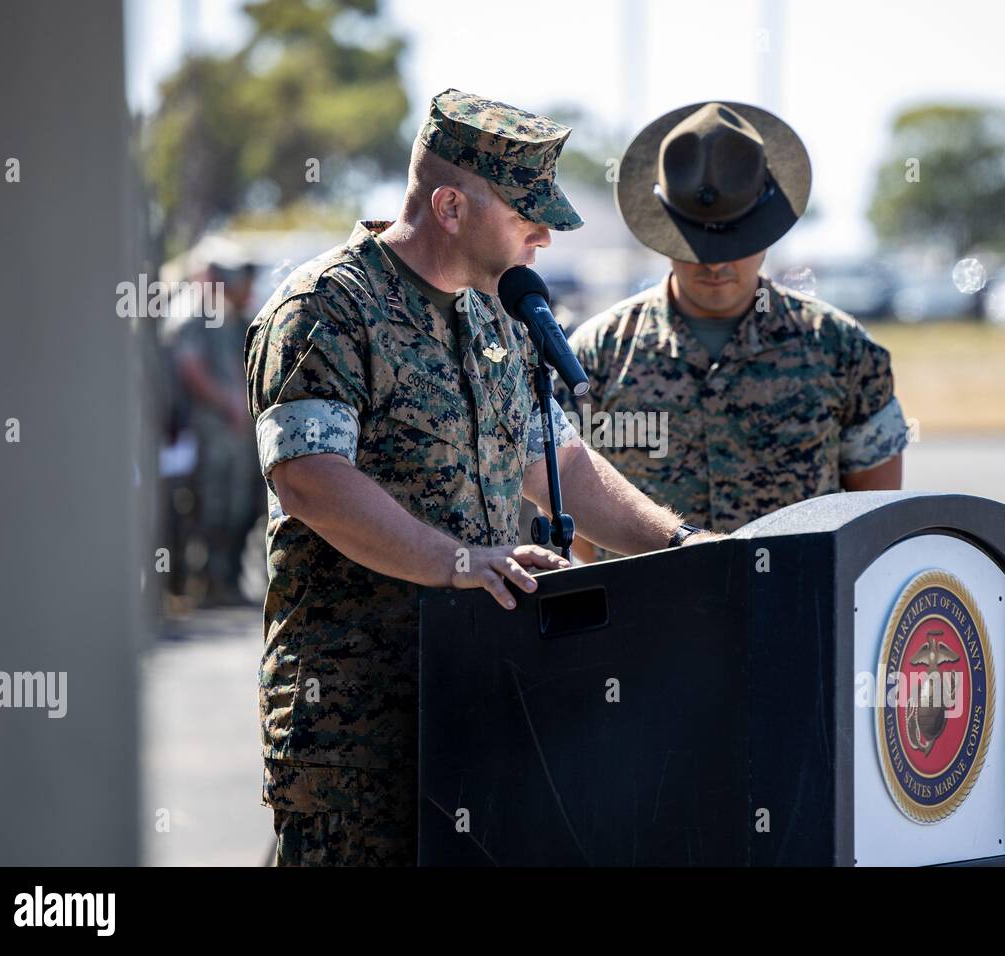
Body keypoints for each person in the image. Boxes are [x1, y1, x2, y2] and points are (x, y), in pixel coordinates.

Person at [244, 89, 719, 866]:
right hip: (359, 725)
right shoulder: (327, 306)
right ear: (450, 206)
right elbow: (309, 480)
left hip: (486, 708)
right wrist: (461, 564)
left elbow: (556, 463)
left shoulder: (500, 318)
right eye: (526, 214)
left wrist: (683, 542)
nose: (544, 236)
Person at [554, 102, 909, 562]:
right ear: (665, 232)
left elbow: (873, 518)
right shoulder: (593, 355)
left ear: (765, 231)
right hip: (645, 622)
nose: (717, 263)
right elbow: (571, 505)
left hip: (797, 619)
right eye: (698, 244)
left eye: (734, 242)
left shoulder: (843, 351)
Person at [165, 236, 260, 604]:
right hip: (206, 430)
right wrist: (227, 403)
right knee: (208, 505)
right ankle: (205, 584)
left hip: (233, 431)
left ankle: (226, 581)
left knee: (239, 505)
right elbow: (190, 368)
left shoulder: (229, 315)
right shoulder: (193, 312)